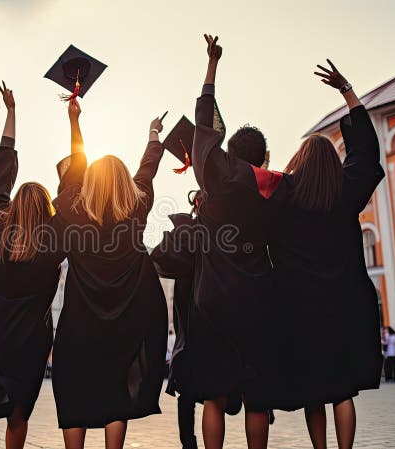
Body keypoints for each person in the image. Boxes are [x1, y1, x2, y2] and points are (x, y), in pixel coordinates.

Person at [269, 59, 384, 449]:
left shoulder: (285, 198)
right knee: (342, 390)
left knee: (314, 390)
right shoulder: (345, 191)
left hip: (300, 310)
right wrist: (347, 90)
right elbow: (365, 152)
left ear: (298, 162)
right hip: (344, 305)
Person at [50, 97, 168, 449]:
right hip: (124, 324)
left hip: (79, 325)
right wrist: (153, 133)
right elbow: (148, 168)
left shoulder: (73, 210)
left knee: (74, 394)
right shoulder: (137, 207)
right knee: (117, 392)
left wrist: (74, 122)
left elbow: (74, 170)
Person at [189, 34, 283, 449]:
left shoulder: (213, 178)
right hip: (260, 299)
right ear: (262, 157)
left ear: (228, 152)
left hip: (211, 301)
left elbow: (203, 120)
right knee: (257, 398)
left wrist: (212, 67)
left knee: (213, 395)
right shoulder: (277, 188)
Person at [0, 83, 65, 449]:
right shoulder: (54, 242)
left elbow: (0, 174)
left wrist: (11, 113)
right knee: (20, 407)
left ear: (15, 205)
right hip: (29, 342)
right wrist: (73, 118)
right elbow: (75, 185)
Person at [151, 190, 204, 449]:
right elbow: (160, 256)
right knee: (196, 392)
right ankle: (189, 443)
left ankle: (189, 444)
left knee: (190, 393)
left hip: (194, 326)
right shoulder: (196, 231)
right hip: (196, 322)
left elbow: (160, 258)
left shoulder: (195, 231)